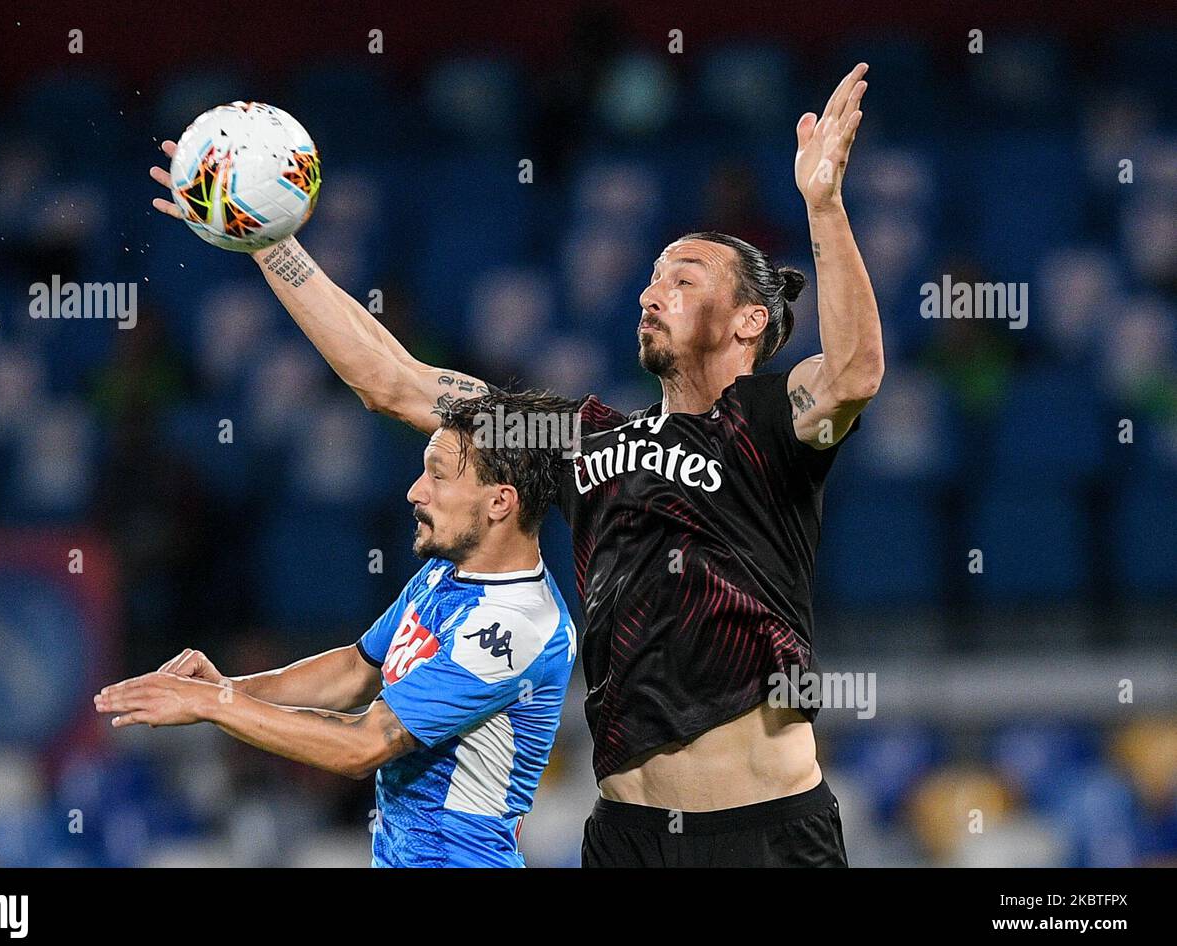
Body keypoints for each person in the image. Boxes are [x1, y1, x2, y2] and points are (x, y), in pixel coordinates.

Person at [146, 62, 882, 867]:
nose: (650, 290)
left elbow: (852, 373)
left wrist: (824, 205)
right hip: (629, 837)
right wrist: (272, 241)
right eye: (651, 275)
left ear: (748, 321)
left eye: (682, 276)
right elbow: (397, 385)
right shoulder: (582, 438)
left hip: (767, 830)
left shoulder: (770, 425)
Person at [95, 392, 579, 867]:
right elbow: (354, 670)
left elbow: (364, 745)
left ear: (499, 502)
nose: (416, 491)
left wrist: (214, 705)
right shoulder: (448, 571)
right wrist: (228, 688)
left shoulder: (516, 625)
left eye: (437, 475)